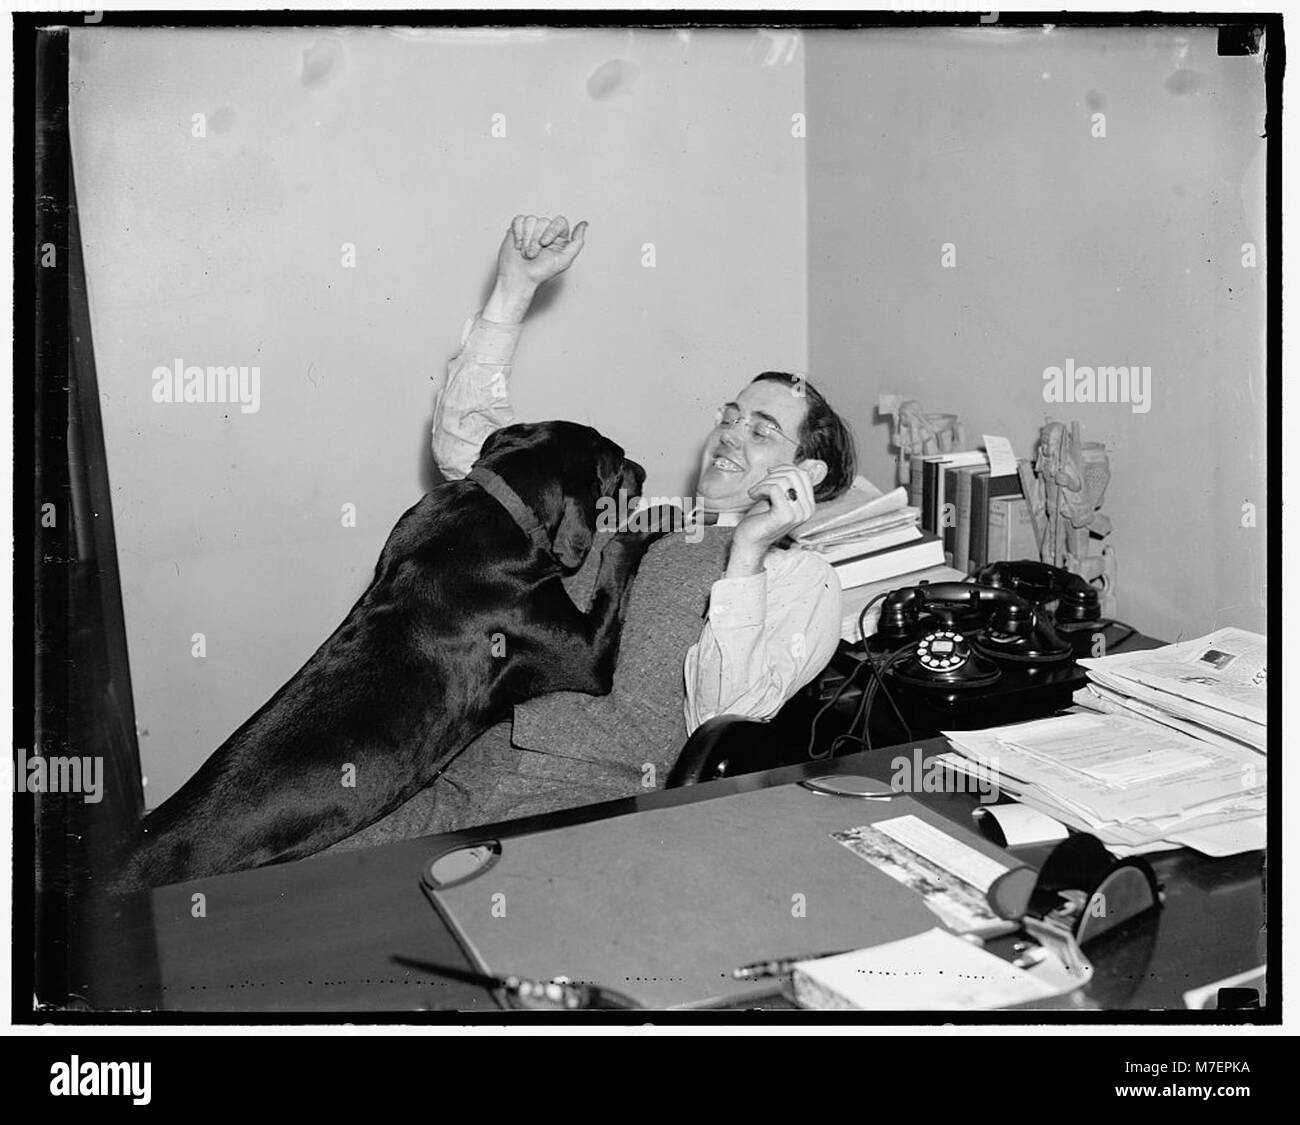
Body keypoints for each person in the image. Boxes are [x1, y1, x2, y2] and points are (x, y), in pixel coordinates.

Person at [329, 214, 858, 849]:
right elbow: (480, 460)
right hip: (454, 761)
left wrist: (748, 551)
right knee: (278, 876)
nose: (730, 435)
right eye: (731, 416)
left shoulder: (802, 576)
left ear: (806, 471)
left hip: (584, 808)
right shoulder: (635, 516)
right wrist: (512, 292)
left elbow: (722, 722)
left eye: (762, 430)